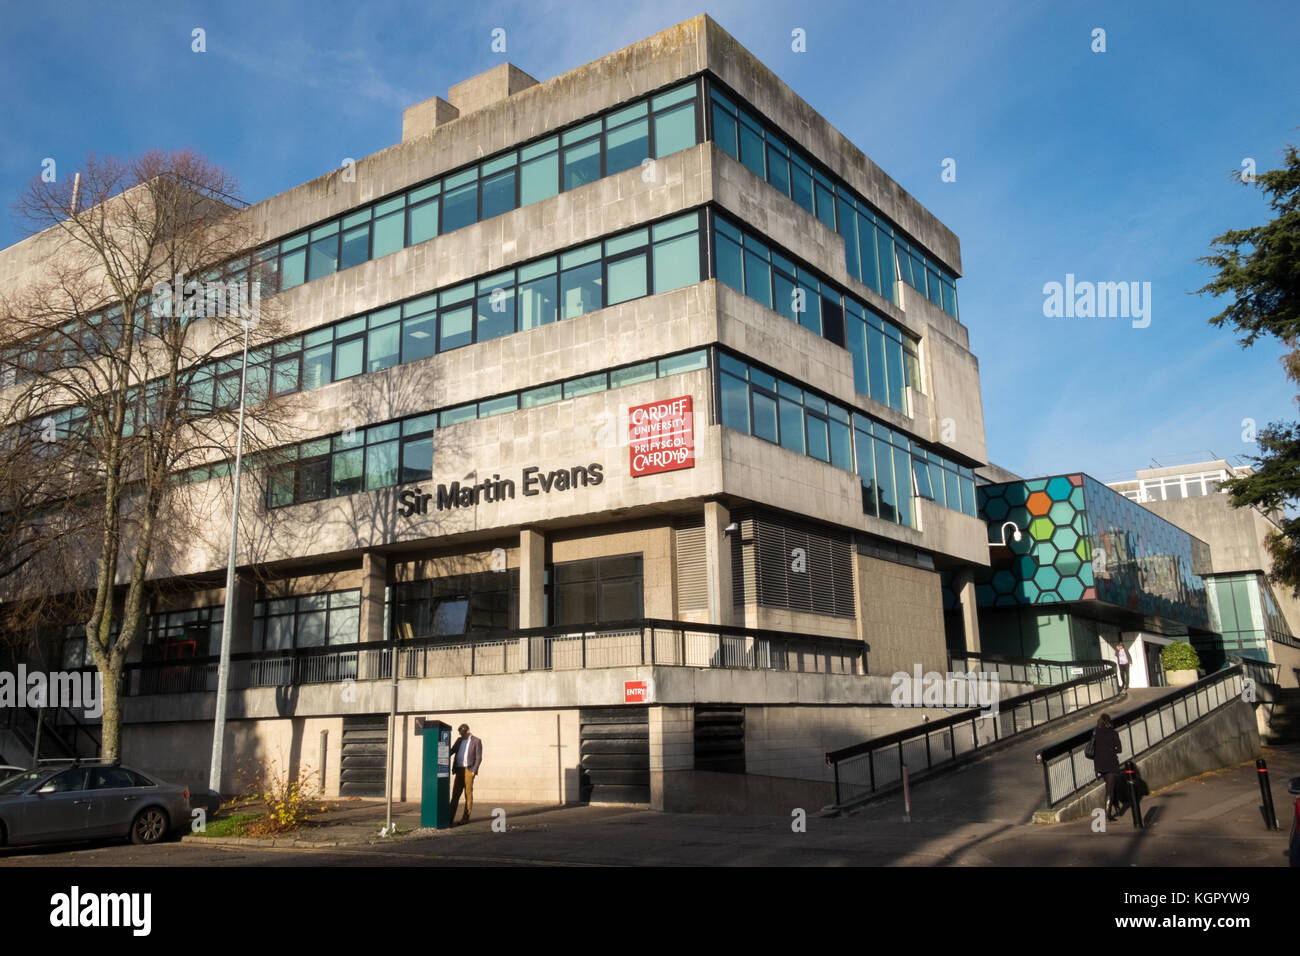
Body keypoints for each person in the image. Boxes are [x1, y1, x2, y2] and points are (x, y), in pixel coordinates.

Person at [1091, 712, 1124, 820]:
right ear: (1109, 722)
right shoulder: (1113, 733)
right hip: (1111, 763)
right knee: (1110, 789)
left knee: (1110, 785)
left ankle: (1117, 807)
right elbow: (1119, 749)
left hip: (1100, 764)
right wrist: (1111, 750)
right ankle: (1108, 814)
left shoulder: (1096, 732)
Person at [449, 723, 482, 824]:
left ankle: (465, 818)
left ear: (468, 731)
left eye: (462, 734)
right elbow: (452, 751)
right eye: (460, 734)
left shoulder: (476, 741)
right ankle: (449, 818)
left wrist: (474, 771)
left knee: (468, 795)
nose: (461, 736)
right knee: (455, 795)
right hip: (459, 770)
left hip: (469, 770)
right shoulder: (459, 740)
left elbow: (479, 757)